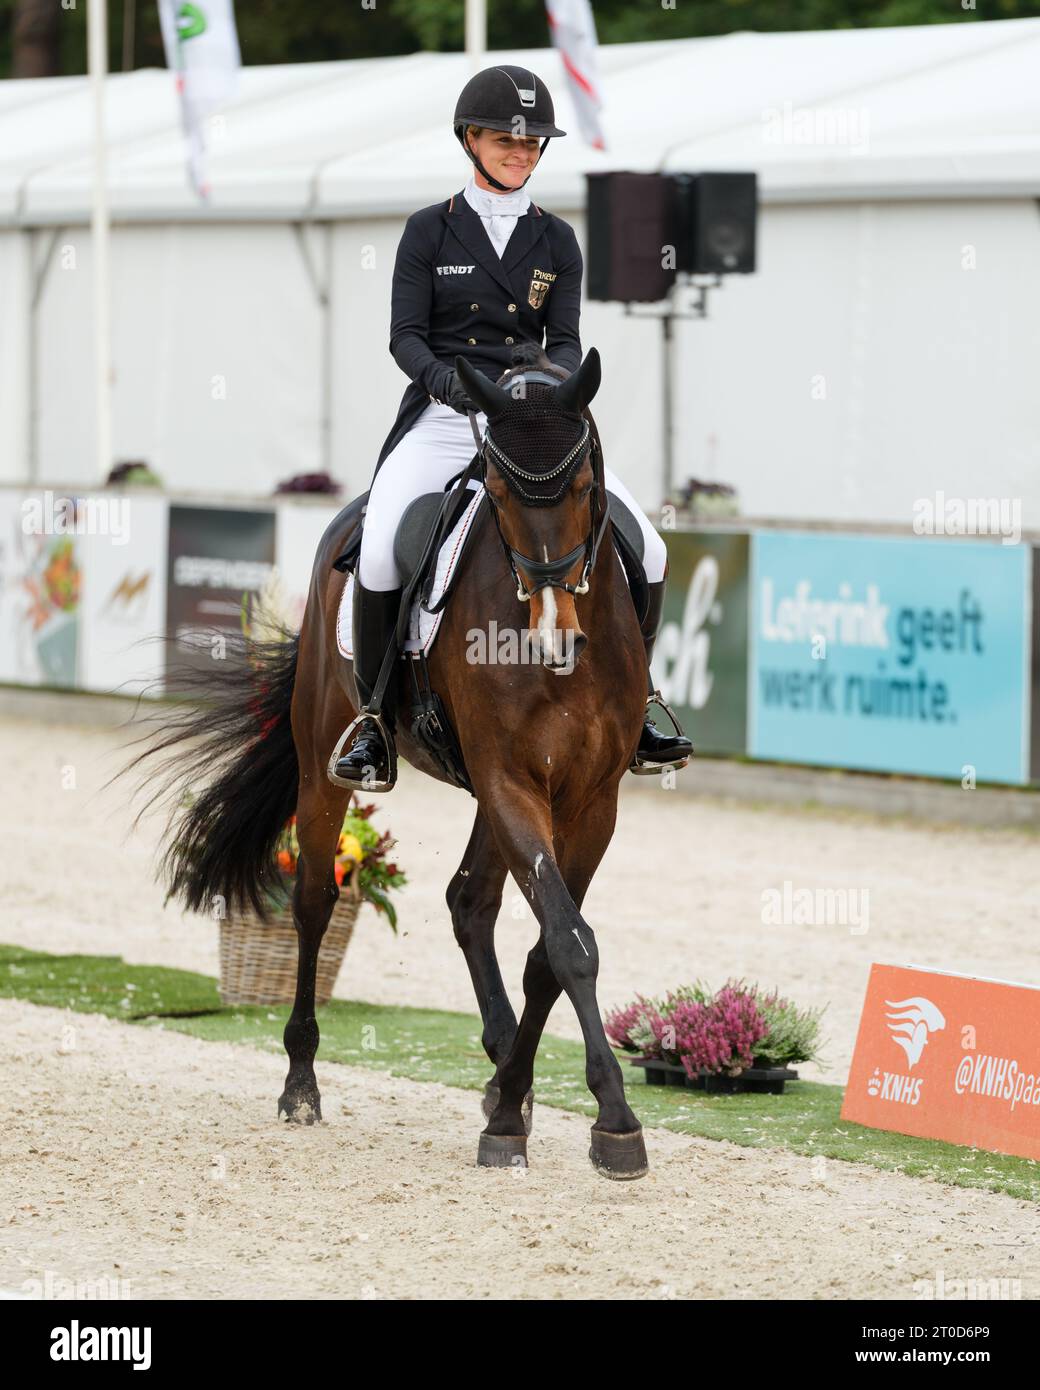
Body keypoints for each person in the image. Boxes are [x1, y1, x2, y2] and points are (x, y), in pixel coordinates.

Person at [333, 64, 692, 789]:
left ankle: (641, 700)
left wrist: (543, 391)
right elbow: (406, 336)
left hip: (534, 423)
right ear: (471, 140)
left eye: (532, 144)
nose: (521, 152)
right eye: (506, 139)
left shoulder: (557, 240)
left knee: (647, 548)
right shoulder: (428, 231)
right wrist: (448, 385)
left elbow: (565, 339)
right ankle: (373, 719)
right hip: (444, 416)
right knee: (376, 555)